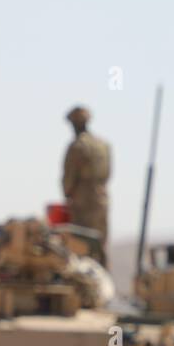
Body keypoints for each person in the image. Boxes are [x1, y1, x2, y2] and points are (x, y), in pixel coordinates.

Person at [62, 105, 112, 267]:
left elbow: (69, 179)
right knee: (101, 244)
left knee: (81, 245)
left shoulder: (77, 146)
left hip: (82, 202)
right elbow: (108, 172)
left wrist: (68, 193)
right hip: (101, 199)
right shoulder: (103, 145)